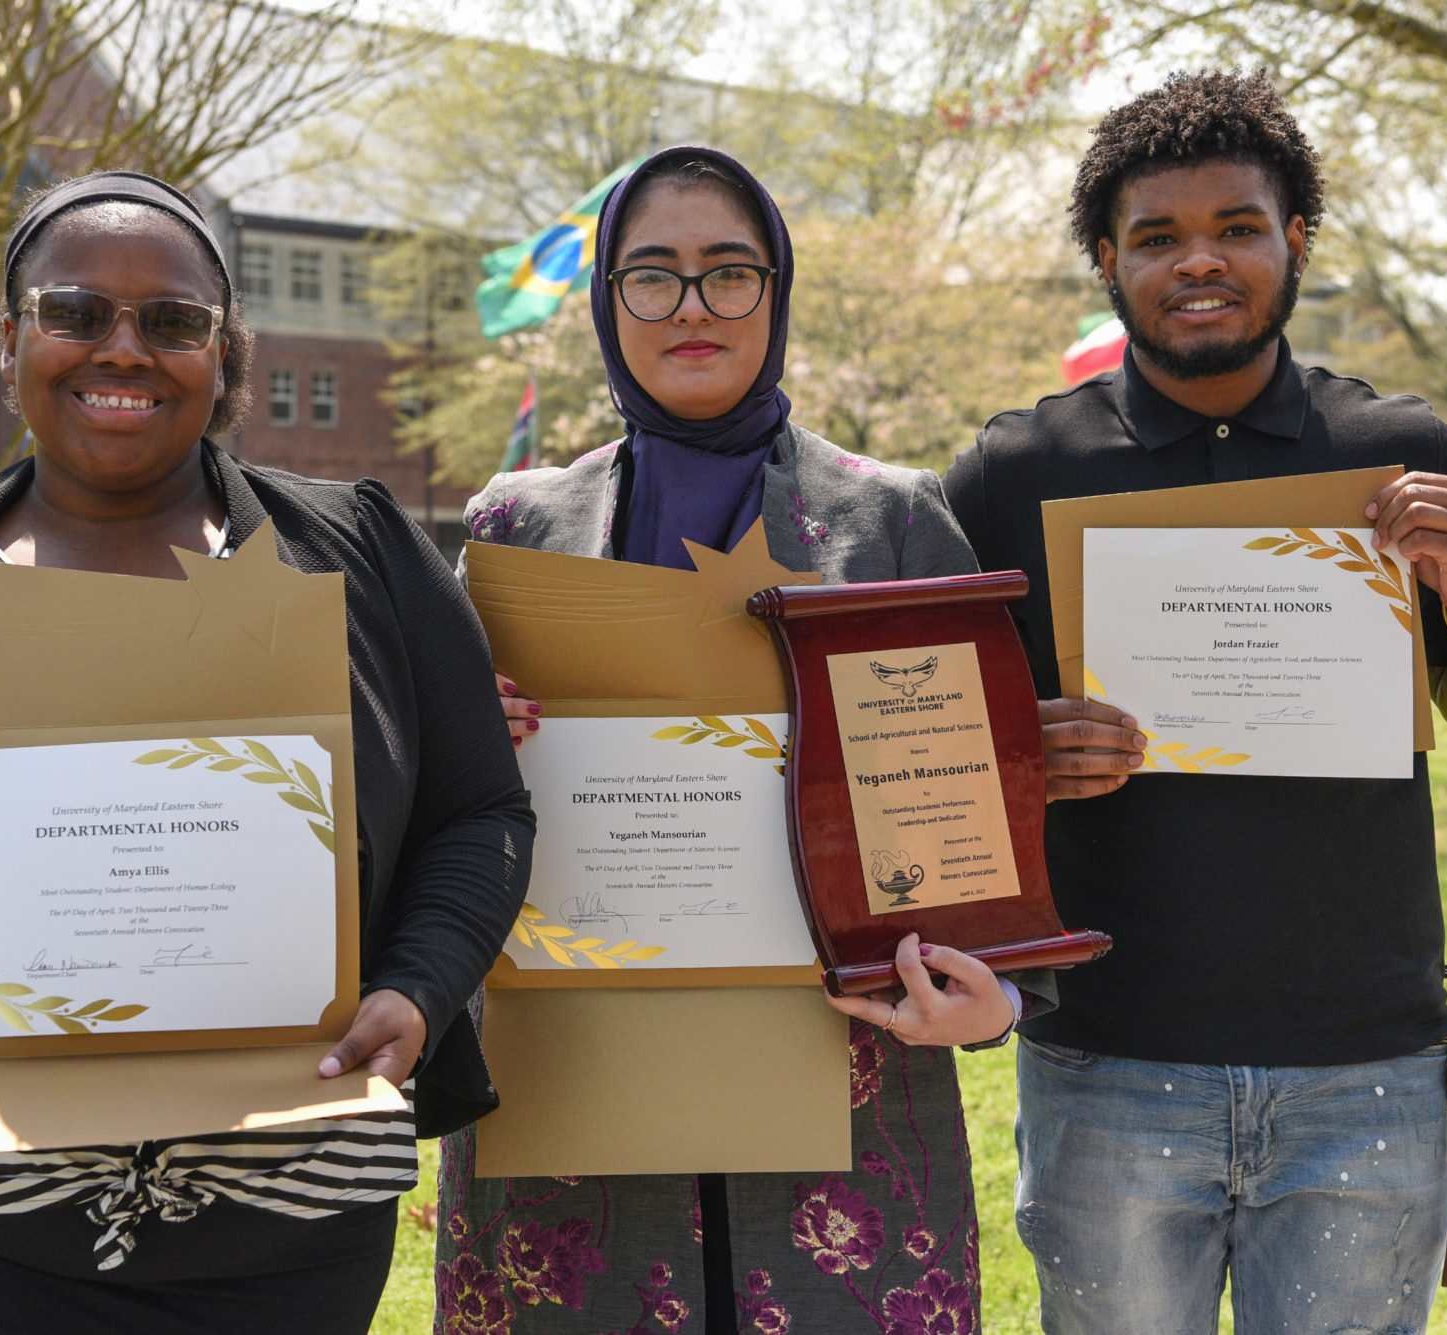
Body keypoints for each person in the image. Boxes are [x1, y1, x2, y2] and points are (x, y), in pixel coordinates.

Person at [0, 170, 534, 1333]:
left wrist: (421, 985)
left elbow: (478, 814)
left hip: (280, 1239)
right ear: (11, 339)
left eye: (171, 323)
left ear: (224, 354)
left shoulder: (357, 558)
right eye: (76, 312)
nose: (121, 350)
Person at [942, 70, 1447, 1335]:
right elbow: (925, 750)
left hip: (1364, 1066)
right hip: (1108, 1057)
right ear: (1105, 260)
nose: (1198, 262)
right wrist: (1015, 751)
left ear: (1295, 242)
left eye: (1235, 226)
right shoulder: (1013, 472)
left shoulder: (1403, 454)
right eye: (1157, 237)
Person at [437, 145, 1054, 1335]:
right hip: (576, 1084)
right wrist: (472, 739)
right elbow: (446, 813)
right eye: (650, 275)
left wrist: (994, 999)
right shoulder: (516, 527)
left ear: (776, 290)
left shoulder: (892, 516)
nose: (692, 307)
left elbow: (973, 802)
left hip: (847, 1091)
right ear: (606, 300)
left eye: (730, 271)